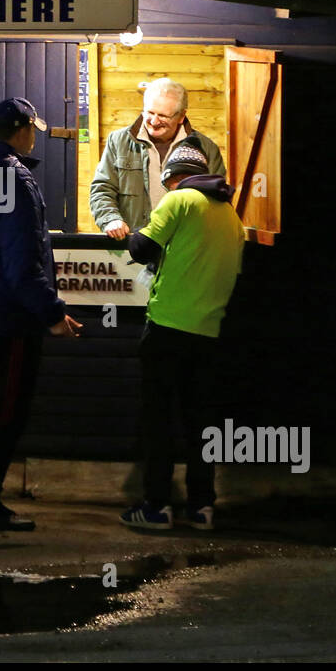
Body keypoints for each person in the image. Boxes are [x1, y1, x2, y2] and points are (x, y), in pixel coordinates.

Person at [0, 97, 82, 531]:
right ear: (22, 129)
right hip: (7, 318)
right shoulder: (15, 180)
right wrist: (52, 313)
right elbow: (23, 262)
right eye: (33, 130)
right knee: (4, 412)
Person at [119, 138, 243, 532]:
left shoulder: (179, 200)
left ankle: (156, 507)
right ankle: (202, 506)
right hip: (209, 334)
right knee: (199, 422)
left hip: (167, 330)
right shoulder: (231, 217)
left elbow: (140, 247)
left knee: (158, 420)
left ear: (172, 177)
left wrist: (138, 226)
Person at [90, 78, 226, 241]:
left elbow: (218, 201)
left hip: (185, 246)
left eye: (162, 116)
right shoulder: (118, 141)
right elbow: (102, 189)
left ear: (181, 116)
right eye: (150, 112)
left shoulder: (206, 148)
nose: (154, 122)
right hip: (134, 245)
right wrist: (111, 219)